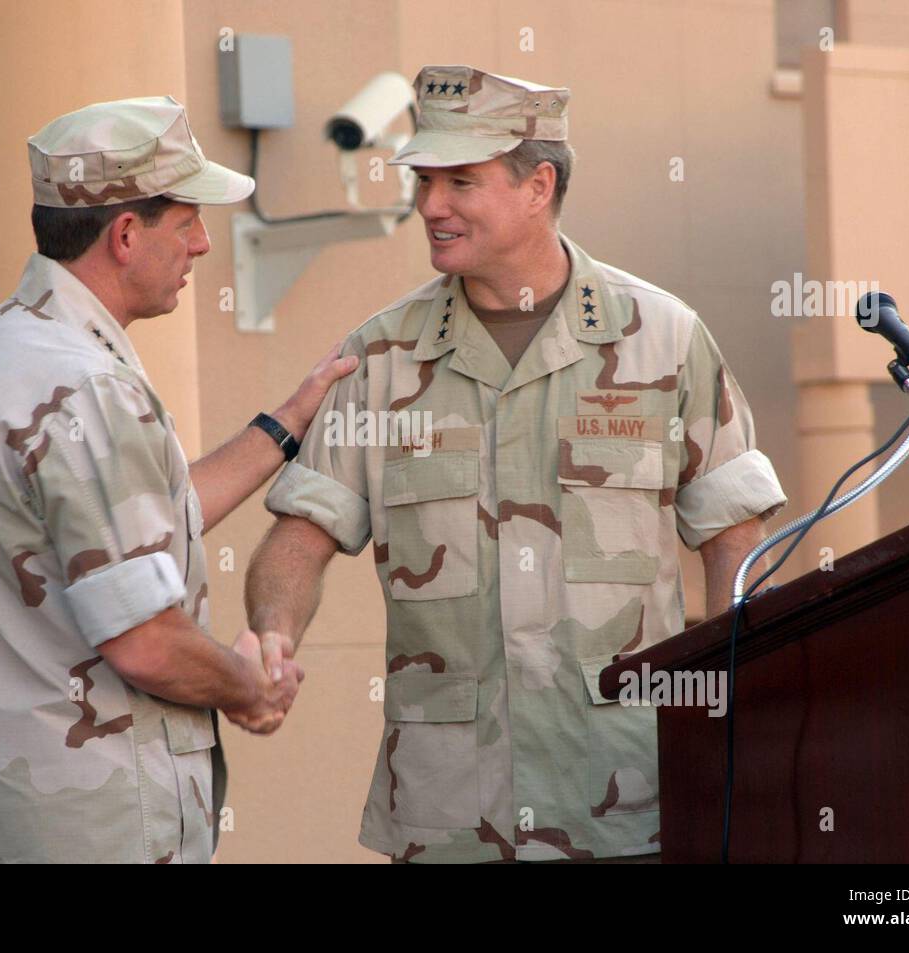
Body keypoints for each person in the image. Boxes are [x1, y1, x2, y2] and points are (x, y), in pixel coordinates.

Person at [245, 67, 788, 863]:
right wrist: (271, 642)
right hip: (452, 813)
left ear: (538, 185)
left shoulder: (662, 339)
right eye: (425, 180)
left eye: (460, 181)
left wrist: (726, 699)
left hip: (630, 797)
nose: (431, 206)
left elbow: (734, 534)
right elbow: (303, 534)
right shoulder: (380, 357)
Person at [0, 96, 356, 863]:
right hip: (105, 825)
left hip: (28, 815)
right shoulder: (84, 384)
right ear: (126, 234)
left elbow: (148, 519)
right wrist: (248, 686)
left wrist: (287, 422)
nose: (202, 245)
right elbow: (146, 640)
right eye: (186, 220)